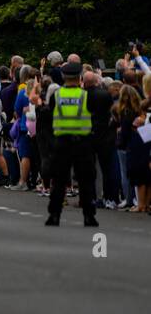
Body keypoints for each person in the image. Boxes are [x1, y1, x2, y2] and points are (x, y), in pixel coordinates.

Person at [44, 61, 98, 227]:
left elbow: (49, 118)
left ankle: (54, 215)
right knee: (85, 180)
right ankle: (89, 216)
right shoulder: (86, 96)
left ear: (63, 77)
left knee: (59, 181)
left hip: (61, 142)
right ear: (79, 77)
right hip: (82, 142)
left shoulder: (56, 96)